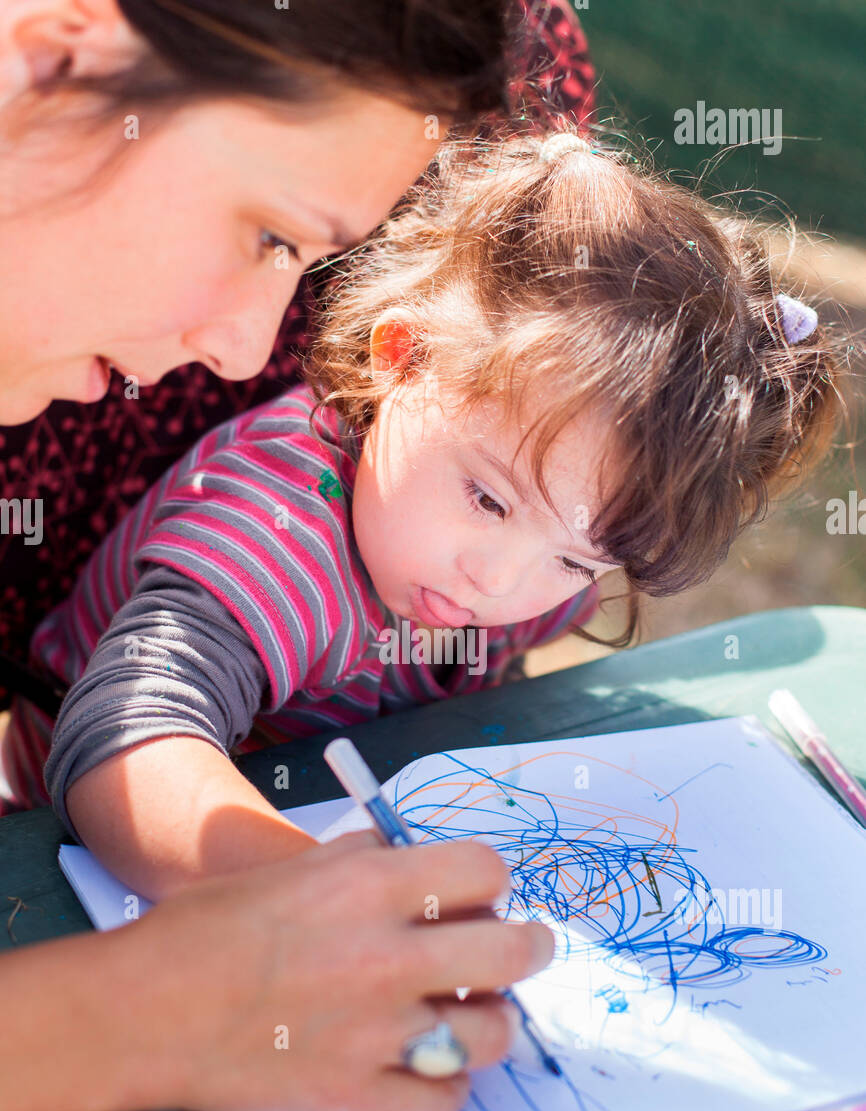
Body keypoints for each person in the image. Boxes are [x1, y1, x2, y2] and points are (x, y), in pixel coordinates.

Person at [0, 0, 596, 1111]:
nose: (244, 354)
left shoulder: (485, 61)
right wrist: (155, 1013)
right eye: (269, 233)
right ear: (49, 61)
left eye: (319, 263)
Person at [2, 130, 844, 913]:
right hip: (75, 892)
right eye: (487, 499)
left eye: (576, 563)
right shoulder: (278, 535)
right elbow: (124, 747)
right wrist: (312, 895)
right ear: (402, 358)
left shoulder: (517, 558)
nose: (500, 581)